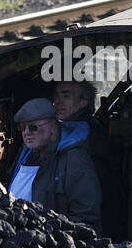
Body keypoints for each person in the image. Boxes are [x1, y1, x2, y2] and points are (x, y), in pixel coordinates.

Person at [8, 98, 102, 231]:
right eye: (22, 128)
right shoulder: (25, 153)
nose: (26, 133)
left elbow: (85, 216)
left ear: (52, 126)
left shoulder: (75, 159)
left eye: (33, 127)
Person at [51, 80, 122, 236]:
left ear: (84, 102)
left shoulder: (88, 135)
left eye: (66, 96)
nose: (57, 102)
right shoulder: (72, 130)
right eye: (56, 96)